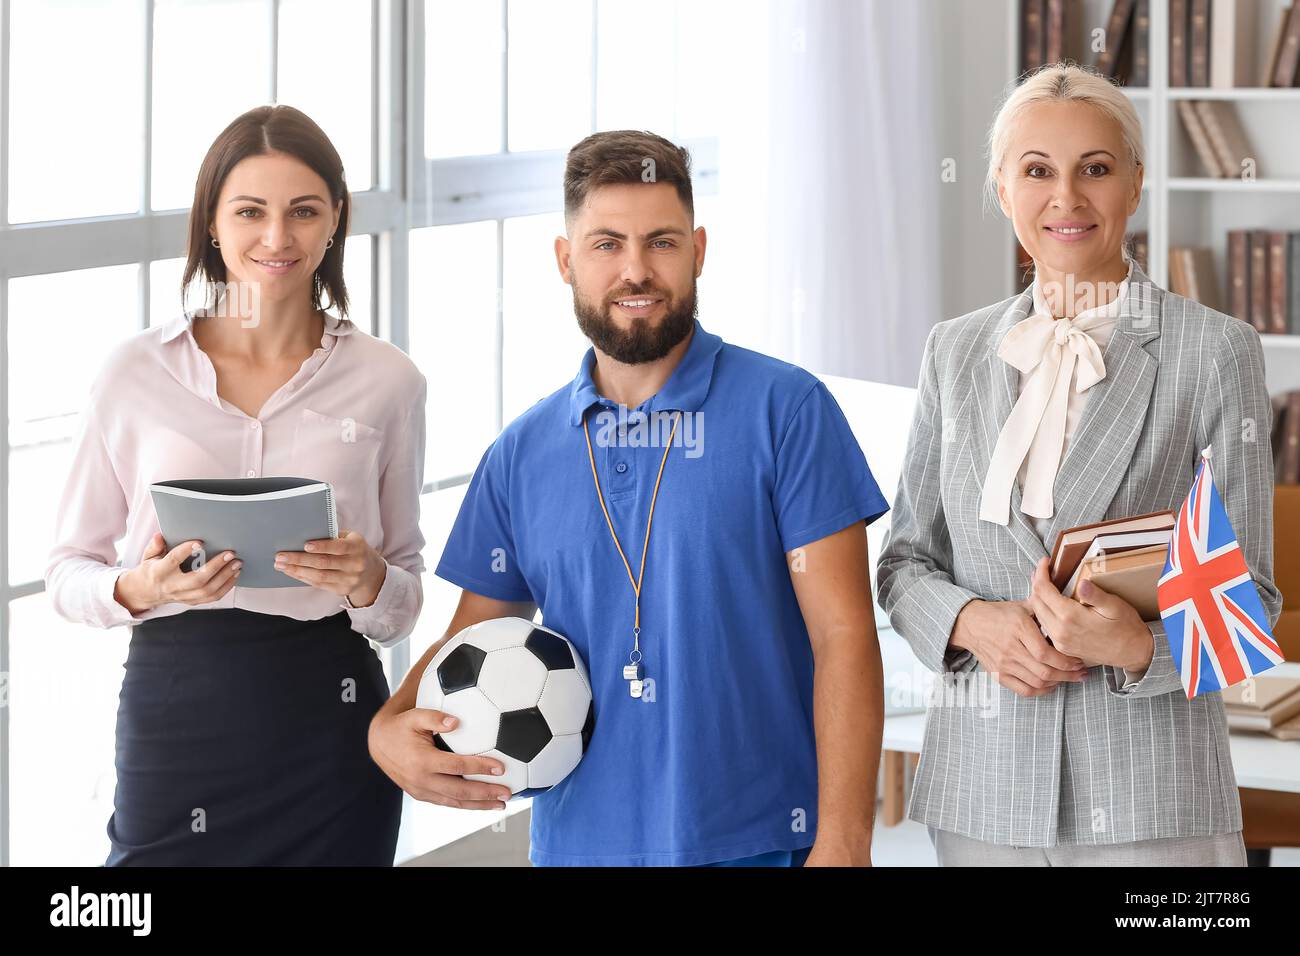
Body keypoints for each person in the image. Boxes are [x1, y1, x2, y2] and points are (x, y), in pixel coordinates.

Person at [369, 130, 889, 867]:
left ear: (699, 250)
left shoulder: (789, 412)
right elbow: (475, 635)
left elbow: (844, 639)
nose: (636, 270)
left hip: (767, 840)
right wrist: (389, 722)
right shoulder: (520, 453)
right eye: (606, 243)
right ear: (565, 260)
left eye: (662, 242)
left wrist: (843, 842)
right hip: (580, 844)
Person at [876, 63, 1281, 866]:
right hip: (982, 798)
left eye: (1095, 168)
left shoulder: (1215, 352)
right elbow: (903, 565)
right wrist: (969, 623)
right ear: (1000, 188)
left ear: (1134, 183)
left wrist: (1136, 649)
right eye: (1037, 171)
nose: (1067, 197)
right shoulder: (952, 351)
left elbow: (1253, 606)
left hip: (1151, 800)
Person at [45, 105, 426, 865]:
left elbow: (403, 600)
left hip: (332, 721)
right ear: (213, 223)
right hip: (177, 711)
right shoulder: (133, 373)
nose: (278, 238)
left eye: (303, 211)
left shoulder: (389, 381)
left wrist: (368, 579)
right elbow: (66, 571)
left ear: (334, 222)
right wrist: (141, 589)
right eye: (250, 211)